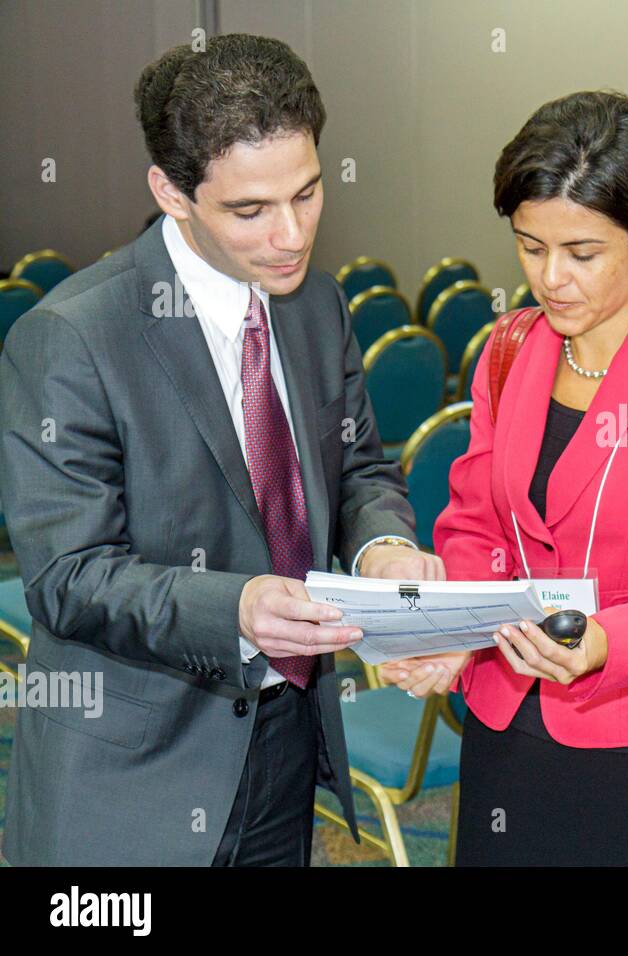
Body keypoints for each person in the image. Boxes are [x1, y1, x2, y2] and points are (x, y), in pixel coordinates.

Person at [0, 33, 441, 866]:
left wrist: (386, 546)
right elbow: (67, 579)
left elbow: (357, 468)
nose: (290, 235)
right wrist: (234, 609)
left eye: (308, 195)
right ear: (170, 192)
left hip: (286, 740)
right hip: (133, 771)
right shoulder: (72, 337)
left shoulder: (315, 304)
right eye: (249, 211)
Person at [382, 90, 628, 865]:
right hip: (508, 724)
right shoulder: (509, 347)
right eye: (530, 247)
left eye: (582, 253)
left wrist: (609, 643)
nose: (551, 279)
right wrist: (457, 637)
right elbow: (476, 525)